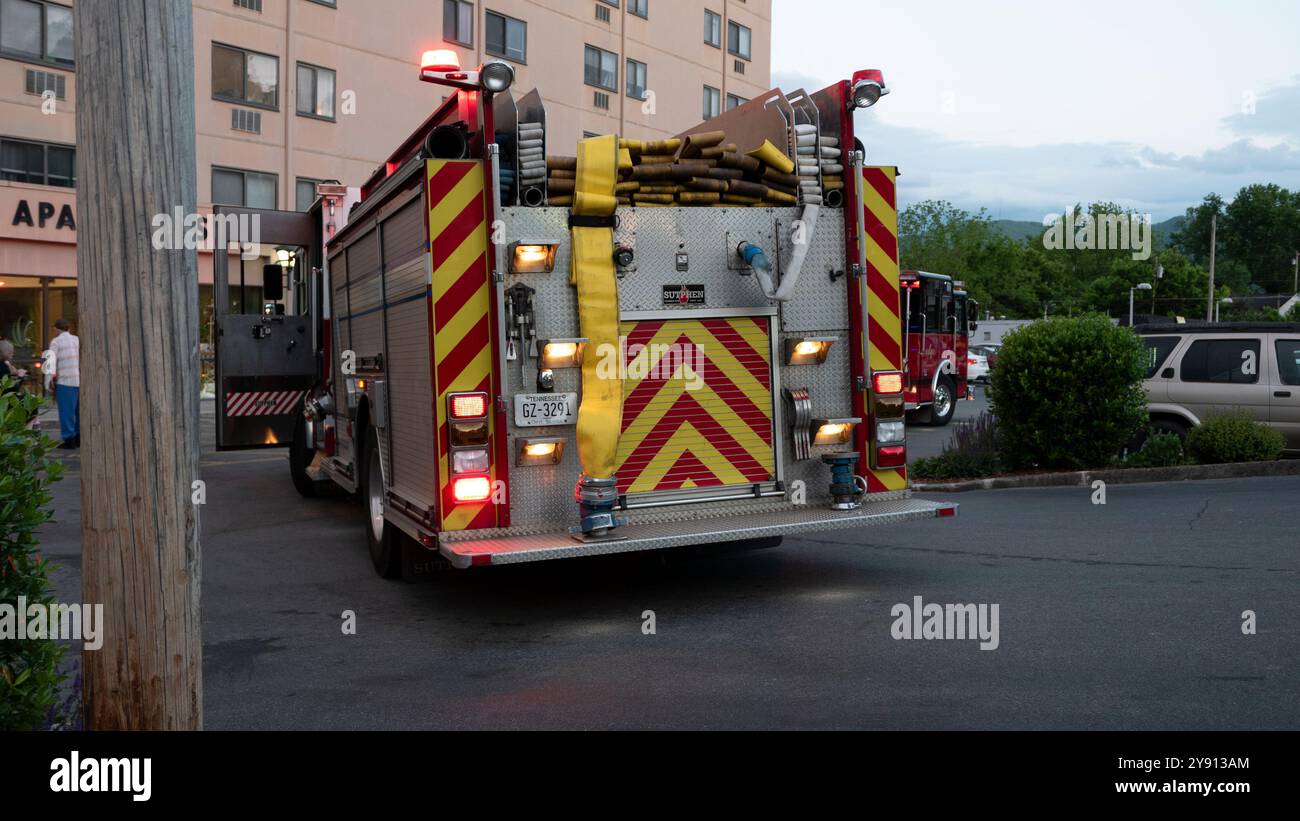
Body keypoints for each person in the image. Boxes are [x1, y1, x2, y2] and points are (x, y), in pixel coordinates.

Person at [49, 319, 80, 449]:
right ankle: (79, 437)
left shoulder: (56, 342)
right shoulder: (76, 339)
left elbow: (51, 362)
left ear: (57, 329)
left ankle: (69, 439)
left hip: (65, 381)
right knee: (78, 410)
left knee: (66, 412)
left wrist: (48, 381)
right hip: (78, 379)